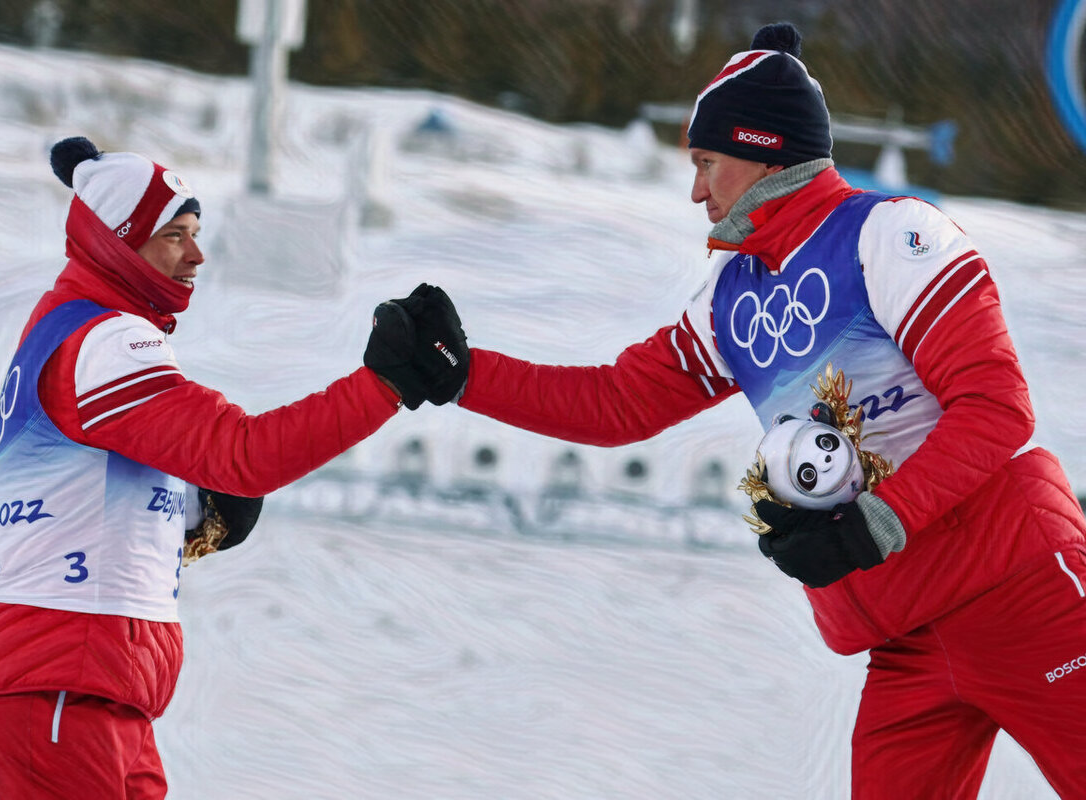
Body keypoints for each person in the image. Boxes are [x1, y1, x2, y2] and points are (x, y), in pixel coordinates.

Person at [371, 23, 1086, 799]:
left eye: (707, 162)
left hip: (1019, 587)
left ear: (762, 151)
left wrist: (874, 519)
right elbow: (617, 403)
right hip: (904, 634)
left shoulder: (891, 235)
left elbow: (997, 409)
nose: (696, 190)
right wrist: (463, 374)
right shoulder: (729, 298)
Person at [0, 136, 468, 799]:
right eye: (175, 235)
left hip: (95, 675)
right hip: (64, 674)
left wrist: (198, 517)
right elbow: (244, 454)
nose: (197, 255)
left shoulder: (78, 330)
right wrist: (385, 382)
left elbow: (85, 489)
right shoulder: (104, 340)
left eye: (197, 232)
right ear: (118, 242)